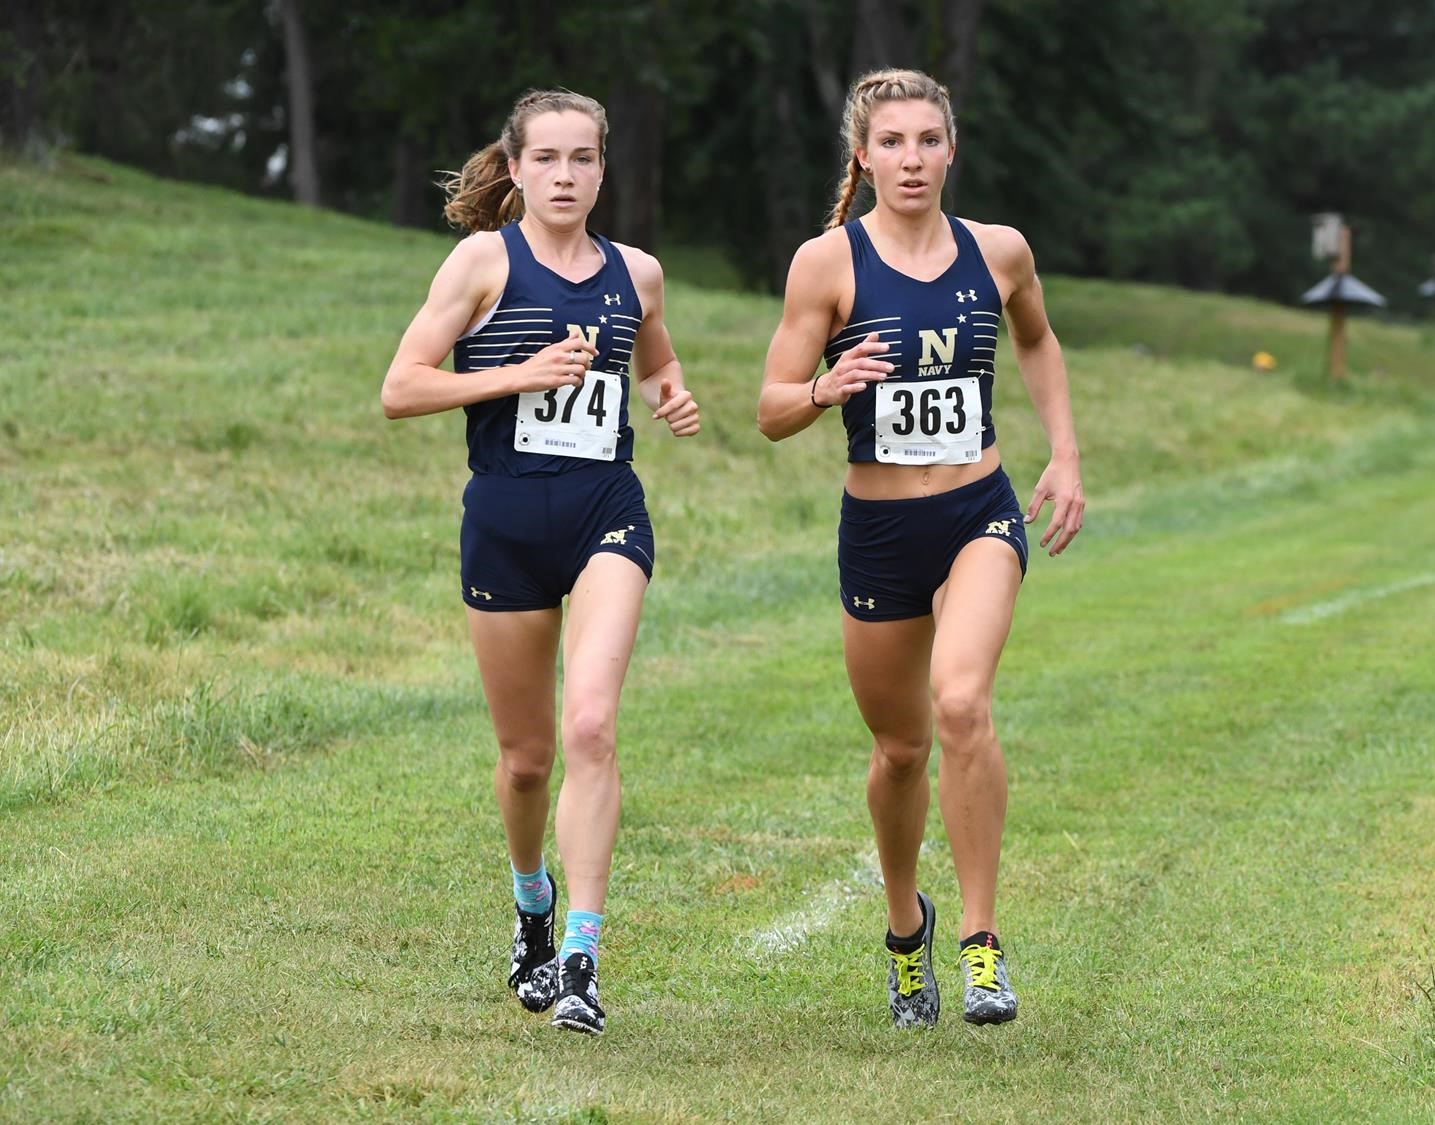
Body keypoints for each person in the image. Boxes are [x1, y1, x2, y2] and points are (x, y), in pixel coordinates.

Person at [756, 69, 1084, 1028]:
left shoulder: (1000, 252)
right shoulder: (827, 264)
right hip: (881, 530)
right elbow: (770, 408)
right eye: (892, 143)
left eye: (929, 140)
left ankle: (982, 945)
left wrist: (1063, 451)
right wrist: (824, 389)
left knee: (960, 701)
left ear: (952, 149)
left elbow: (1039, 341)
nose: (912, 159)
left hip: (978, 510)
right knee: (899, 749)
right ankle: (909, 932)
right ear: (864, 155)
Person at [380, 89, 699, 1037]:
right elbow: (400, 388)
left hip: (608, 513)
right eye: (548, 159)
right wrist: (518, 373)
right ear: (514, 169)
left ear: (606, 168)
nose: (566, 176)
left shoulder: (636, 273)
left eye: (584, 159)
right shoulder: (484, 260)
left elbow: (654, 363)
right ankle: (533, 907)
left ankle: (583, 959)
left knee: (592, 724)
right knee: (526, 761)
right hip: (507, 526)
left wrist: (672, 397)